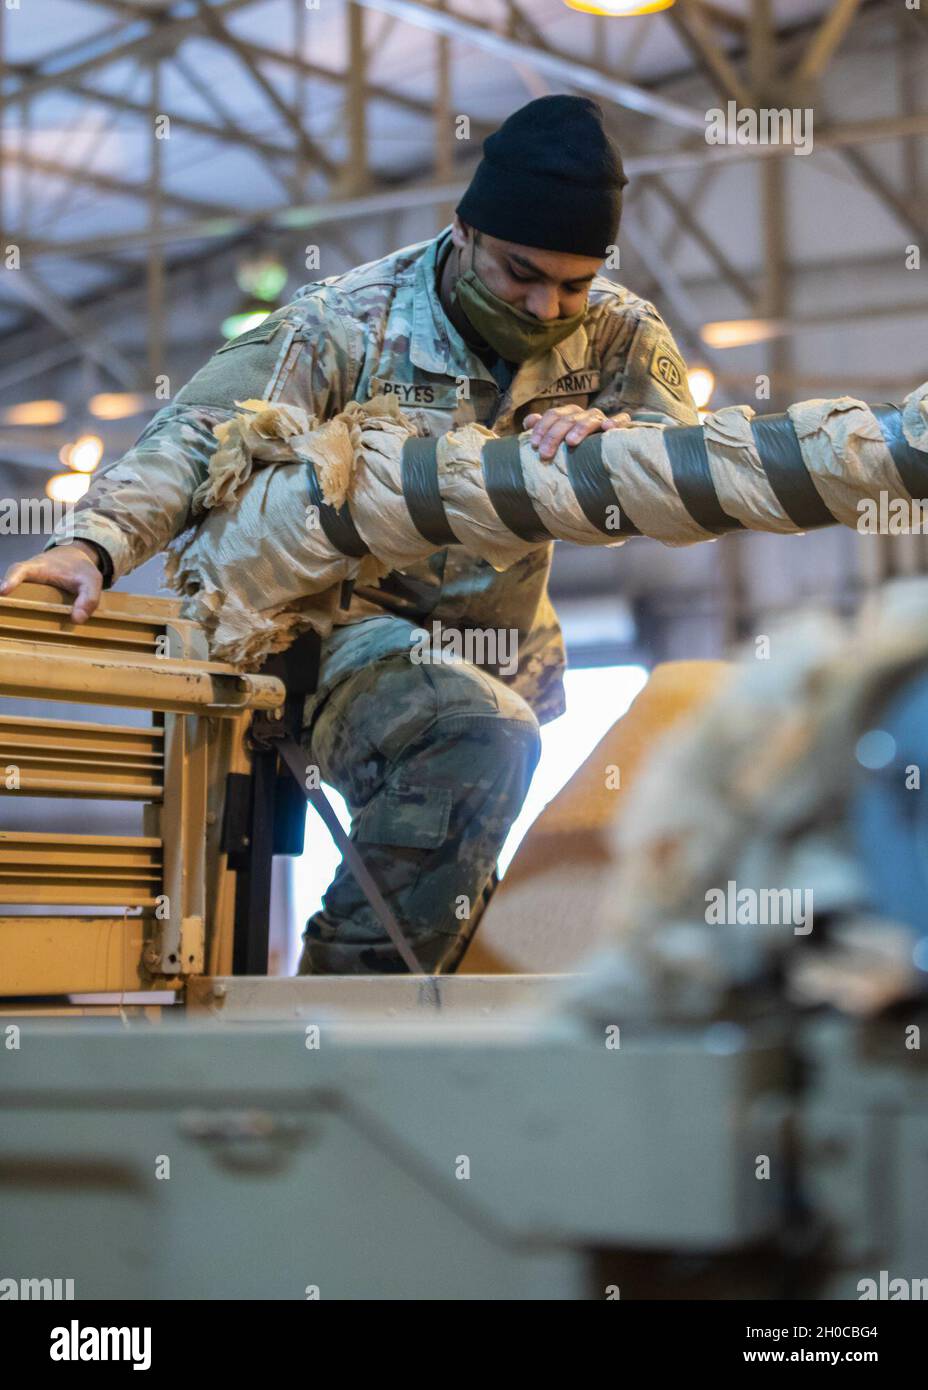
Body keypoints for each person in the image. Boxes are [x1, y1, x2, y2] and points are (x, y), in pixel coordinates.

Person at [1, 95, 698, 974]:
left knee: (477, 818)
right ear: (464, 231)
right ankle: (348, 1010)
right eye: (521, 273)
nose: (545, 303)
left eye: (573, 283)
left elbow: (689, 462)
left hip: (498, 642)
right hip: (334, 631)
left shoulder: (619, 332)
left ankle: (420, 1009)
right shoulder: (347, 322)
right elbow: (198, 433)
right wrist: (93, 544)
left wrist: (623, 444)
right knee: (479, 741)